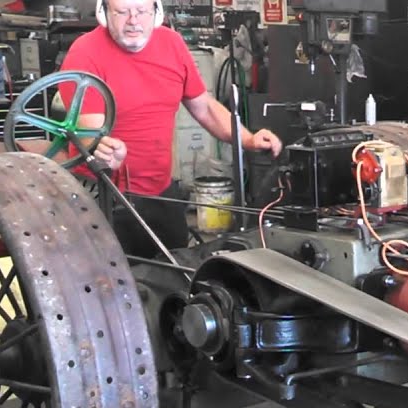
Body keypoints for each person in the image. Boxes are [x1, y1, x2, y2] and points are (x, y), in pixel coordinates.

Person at [56, 0, 283, 256]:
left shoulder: (172, 44)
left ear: (156, 11)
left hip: (162, 192)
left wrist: (249, 139)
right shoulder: (85, 53)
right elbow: (90, 133)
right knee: (111, 277)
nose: (133, 20)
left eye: (142, 11)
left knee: (173, 271)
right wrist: (105, 151)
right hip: (103, 197)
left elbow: (205, 107)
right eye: (122, 12)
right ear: (104, 12)